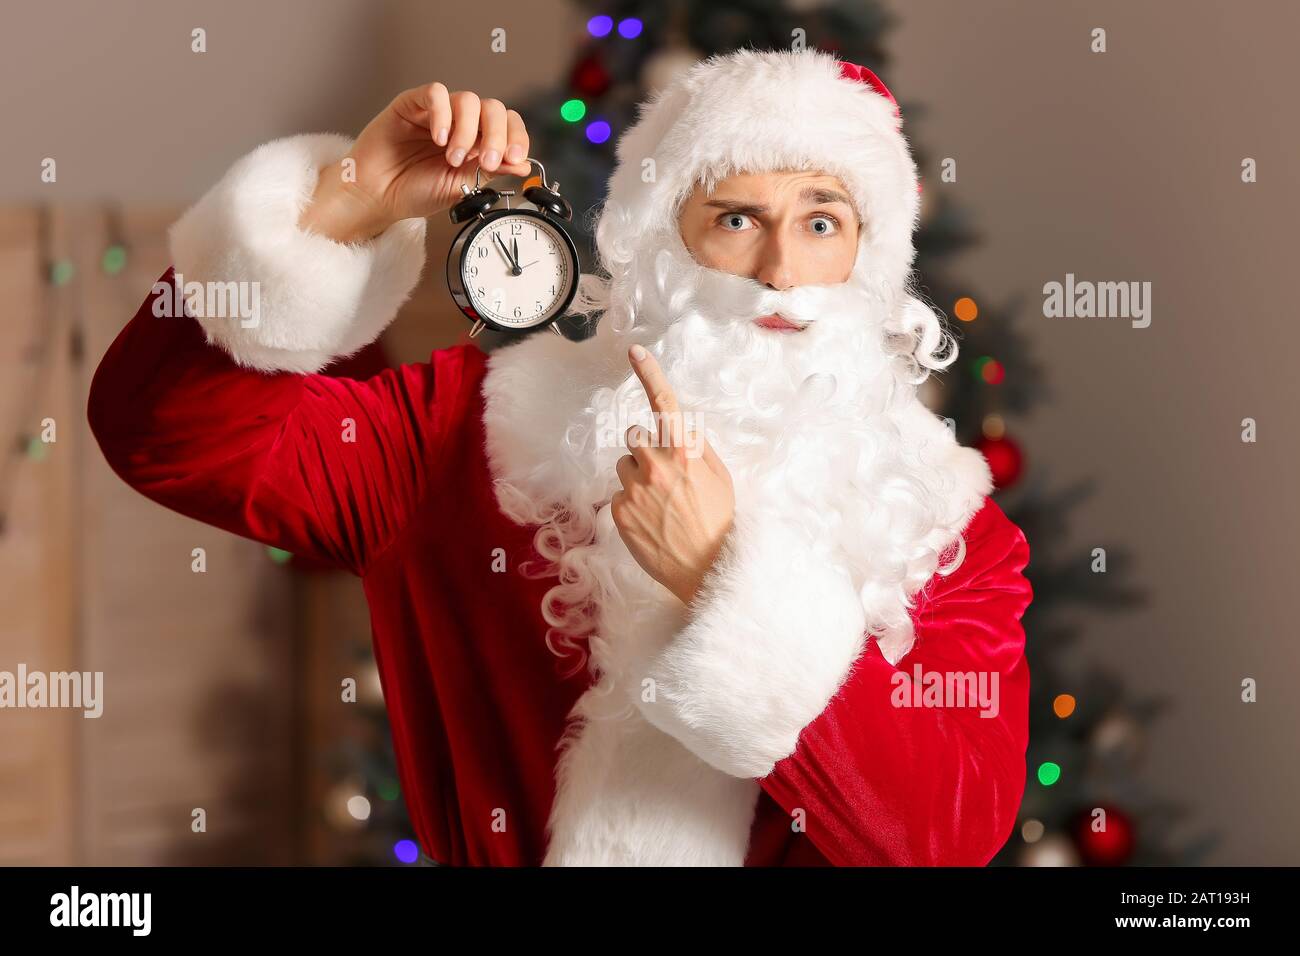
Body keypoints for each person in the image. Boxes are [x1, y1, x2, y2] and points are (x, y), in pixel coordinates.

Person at [88, 48, 1033, 866]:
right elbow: (168, 438)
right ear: (666, 245)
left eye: (821, 221)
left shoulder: (942, 523)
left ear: (869, 258)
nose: (782, 271)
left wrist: (724, 583)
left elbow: (943, 840)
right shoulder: (466, 433)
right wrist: (347, 204)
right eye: (736, 218)